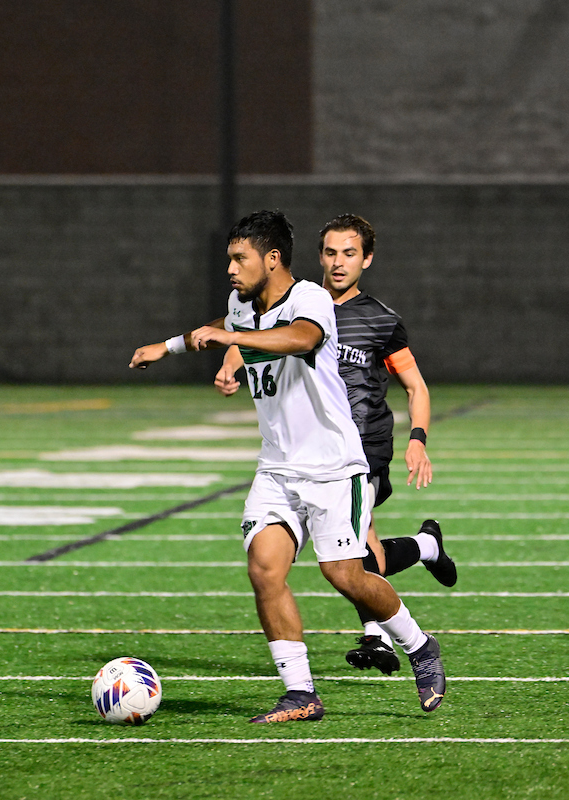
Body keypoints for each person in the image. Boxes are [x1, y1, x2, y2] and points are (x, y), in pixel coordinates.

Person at [129, 209, 446, 722]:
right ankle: (301, 693)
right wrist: (166, 347)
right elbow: (220, 325)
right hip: (277, 469)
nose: (230, 270)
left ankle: (419, 646)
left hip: (334, 467)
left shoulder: (310, 299)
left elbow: (301, 339)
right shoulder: (241, 305)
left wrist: (235, 343)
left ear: (272, 259)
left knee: (345, 575)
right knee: (265, 569)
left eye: (240, 259)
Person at [218, 212, 456, 677]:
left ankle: (380, 637)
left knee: (352, 564)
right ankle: (425, 548)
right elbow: (247, 329)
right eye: (330, 252)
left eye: (350, 253)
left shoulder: (380, 320)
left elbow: (416, 387)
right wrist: (232, 359)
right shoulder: (293, 303)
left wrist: (418, 439)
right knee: (366, 561)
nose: (339, 262)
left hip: (362, 448)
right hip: (307, 451)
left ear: (367, 259)